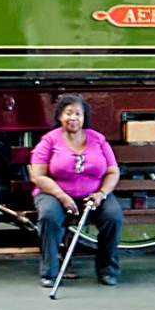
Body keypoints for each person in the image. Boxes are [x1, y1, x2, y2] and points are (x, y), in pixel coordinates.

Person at [28, 93, 122, 289]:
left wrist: (101, 194)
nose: (73, 118)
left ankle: (107, 270)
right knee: (48, 216)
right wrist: (62, 197)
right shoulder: (49, 140)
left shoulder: (98, 139)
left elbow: (113, 171)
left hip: (94, 195)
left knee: (113, 217)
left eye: (78, 114)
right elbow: (38, 175)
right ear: (60, 116)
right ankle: (50, 272)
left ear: (84, 117)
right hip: (54, 194)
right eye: (68, 113)